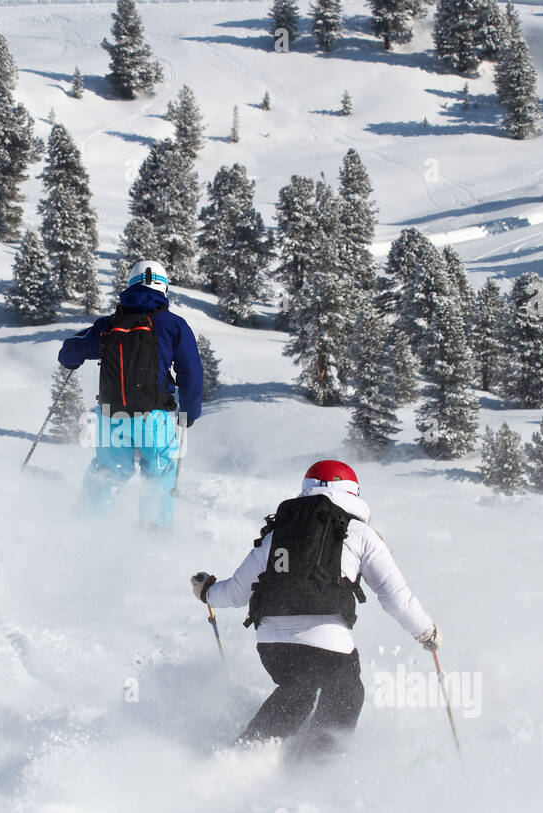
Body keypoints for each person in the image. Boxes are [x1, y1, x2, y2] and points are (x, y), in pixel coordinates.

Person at [189, 460, 439, 754]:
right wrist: (426, 632)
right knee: (345, 693)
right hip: (328, 644)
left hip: (272, 645)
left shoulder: (277, 533)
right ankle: (313, 772)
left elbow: (235, 592)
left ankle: (243, 755)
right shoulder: (360, 533)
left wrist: (207, 593)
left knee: (297, 692)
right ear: (353, 493)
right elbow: (395, 597)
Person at [58, 260, 202, 529]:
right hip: (154, 418)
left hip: (112, 416)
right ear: (164, 287)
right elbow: (190, 373)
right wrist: (189, 412)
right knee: (159, 475)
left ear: (130, 286)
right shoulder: (174, 325)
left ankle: (85, 527)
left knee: (109, 472)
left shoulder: (109, 324)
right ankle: (154, 532)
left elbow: (69, 354)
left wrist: (73, 355)